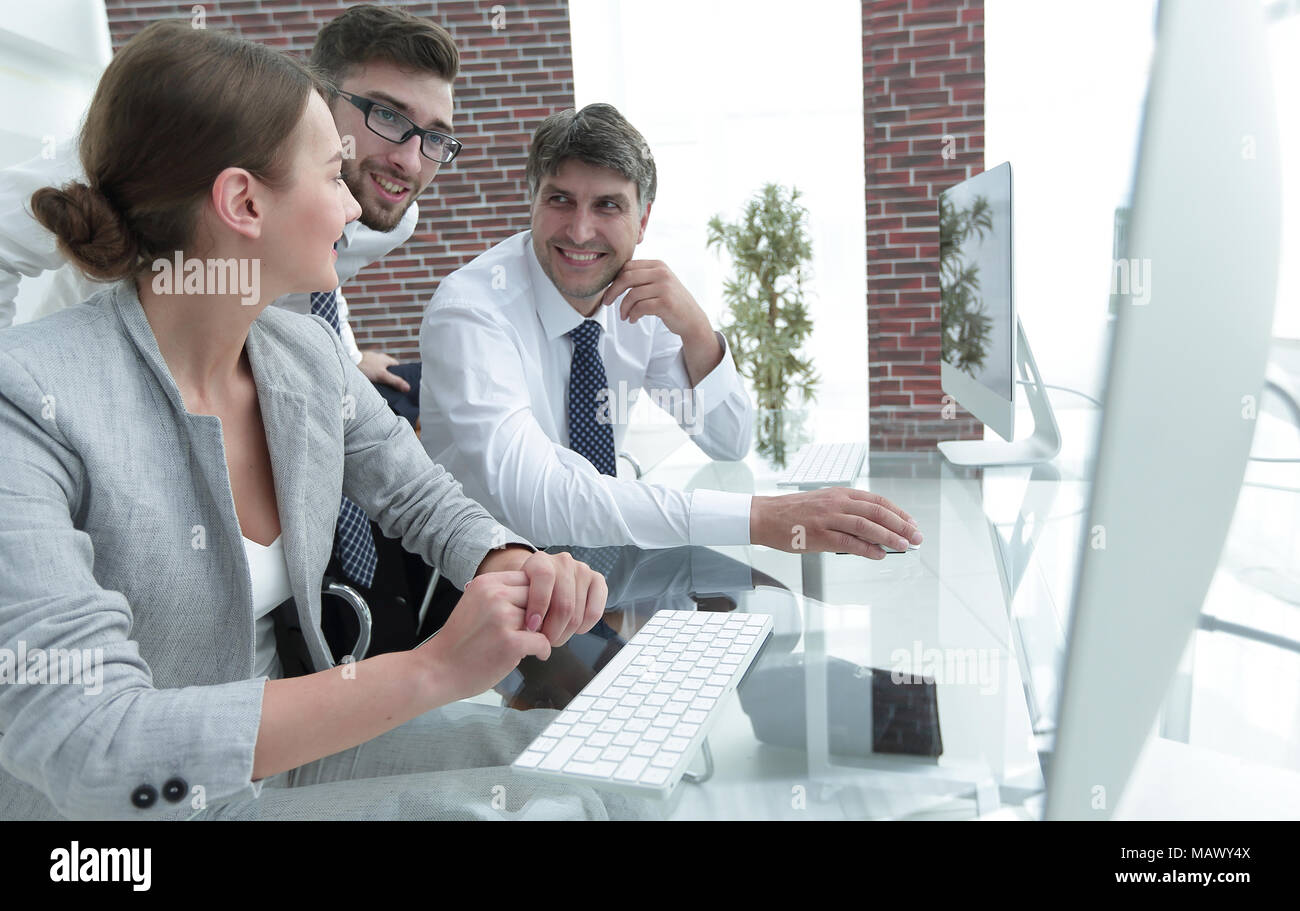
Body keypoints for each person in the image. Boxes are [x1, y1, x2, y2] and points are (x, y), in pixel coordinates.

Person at [0, 21, 648, 821]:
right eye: (332, 174)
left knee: (590, 772)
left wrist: (511, 559)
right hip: (122, 820)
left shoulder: (300, 350)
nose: (355, 200)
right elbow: (93, 741)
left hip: (280, 758)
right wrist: (433, 670)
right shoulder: (27, 398)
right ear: (242, 201)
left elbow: (417, 496)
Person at [418, 103, 924, 557]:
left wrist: (698, 332)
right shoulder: (472, 311)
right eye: (560, 200)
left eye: (608, 205)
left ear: (643, 221)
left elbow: (730, 441)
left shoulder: (638, 298)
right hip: (483, 583)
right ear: (533, 202)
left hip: (601, 566)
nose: (579, 231)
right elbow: (535, 499)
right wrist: (762, 519)